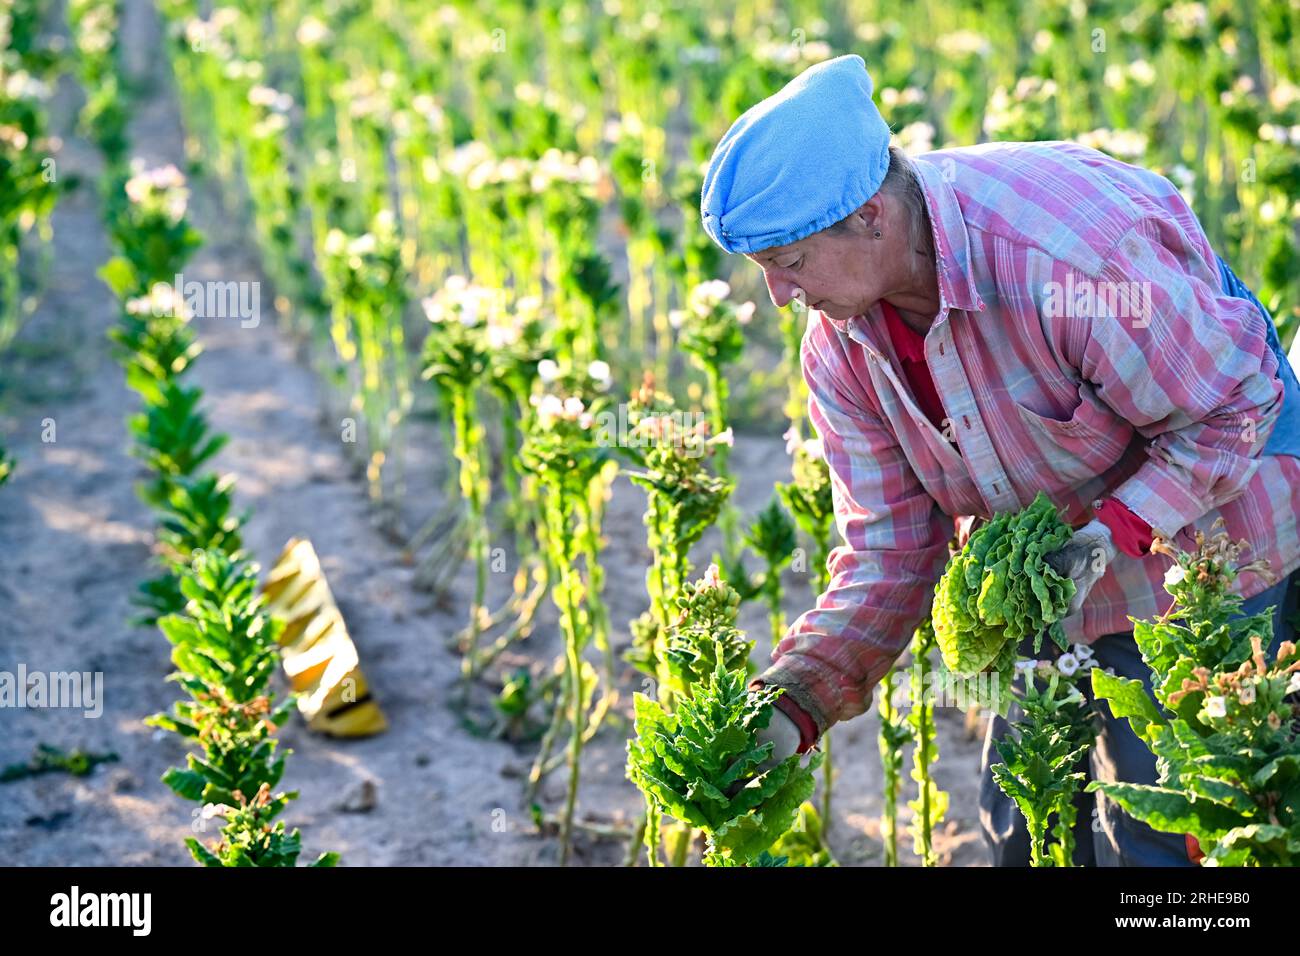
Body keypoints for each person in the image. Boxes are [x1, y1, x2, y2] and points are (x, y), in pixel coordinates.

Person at [699, 54, 1300, 865]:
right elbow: (891, 548)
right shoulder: (843, 346)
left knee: (1167, 841)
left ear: (872, 216)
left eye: (789, 262)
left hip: (1212, 552)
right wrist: (796, 700)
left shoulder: (1069, 260)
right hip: (1053, 581)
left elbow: (1232, 408)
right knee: (1029, 827)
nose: (777, 294)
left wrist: (1109, 533)